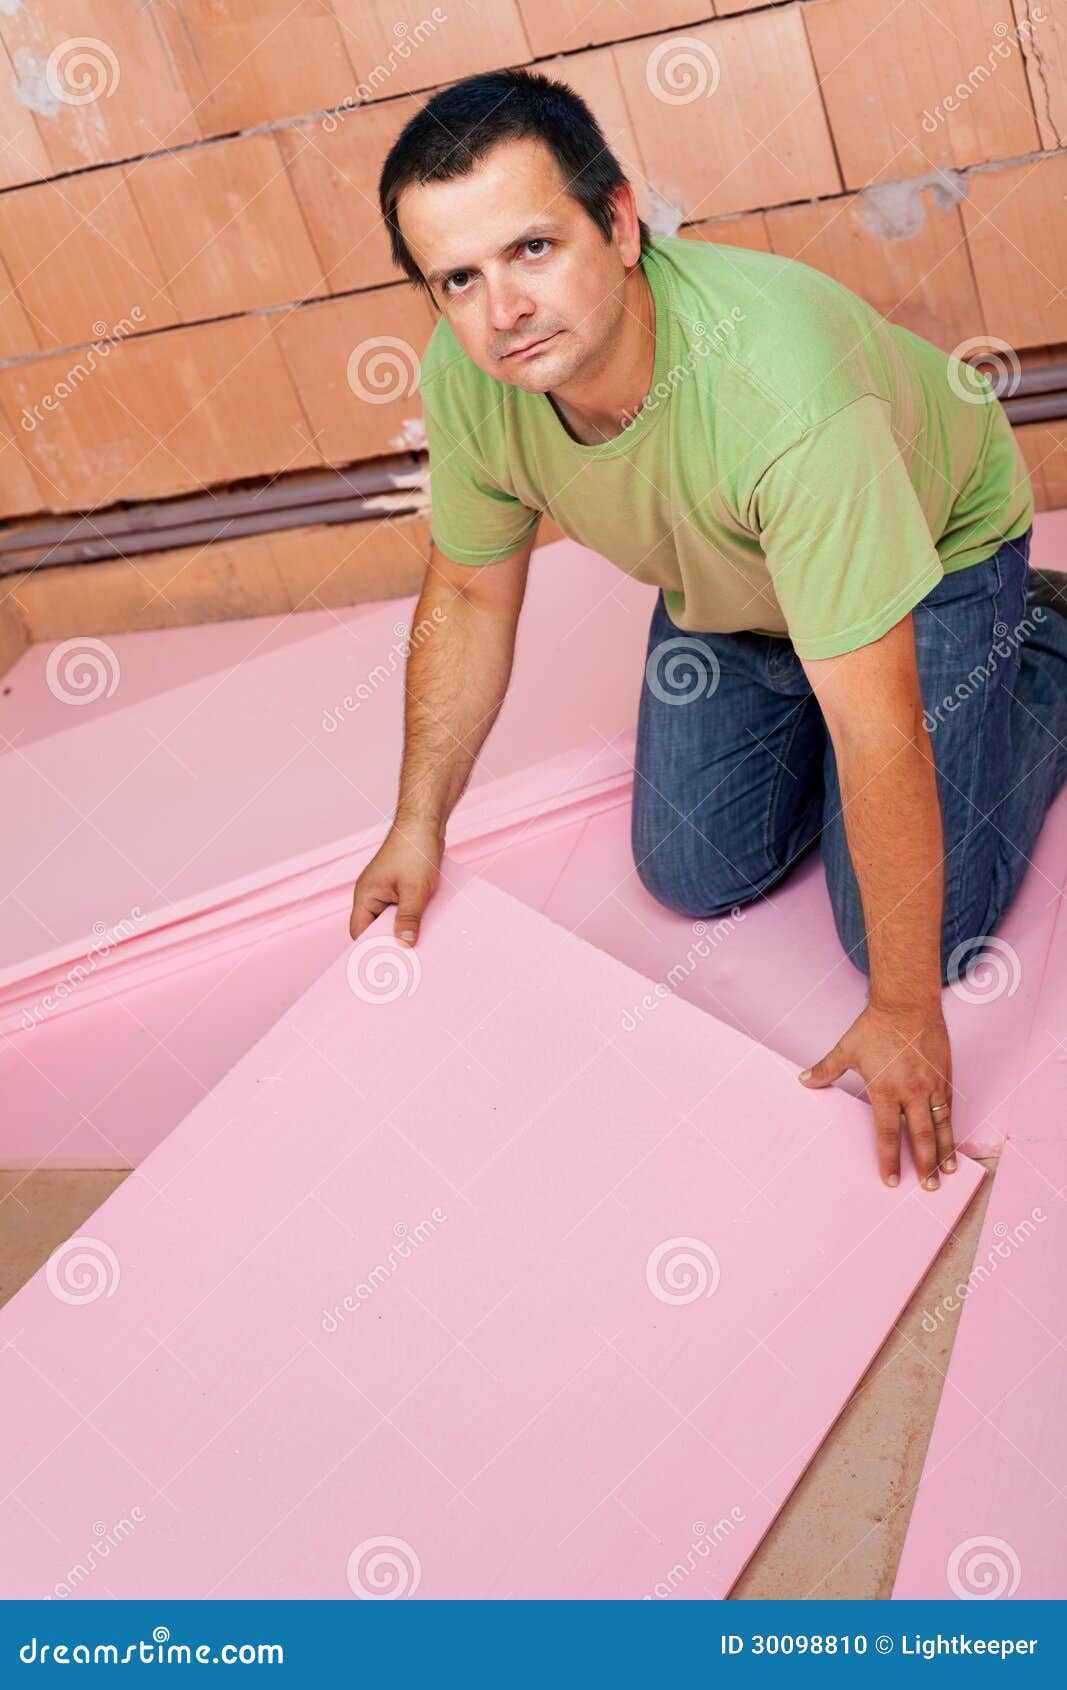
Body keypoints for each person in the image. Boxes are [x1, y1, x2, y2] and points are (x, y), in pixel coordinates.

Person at [350, 68, 1067, 1190]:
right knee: (688, 868)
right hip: (741, 583)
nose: (501, 310)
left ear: (620, 224)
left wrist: (897, 1011)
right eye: (458, 277)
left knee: (921, 939)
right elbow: (471, 592)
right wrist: (416, 820)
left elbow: (878, 734)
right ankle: (813, 645)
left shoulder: (778, 398)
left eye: (532, 249)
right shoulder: (475, 373)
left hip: (932, 547)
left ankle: (1043, 642)